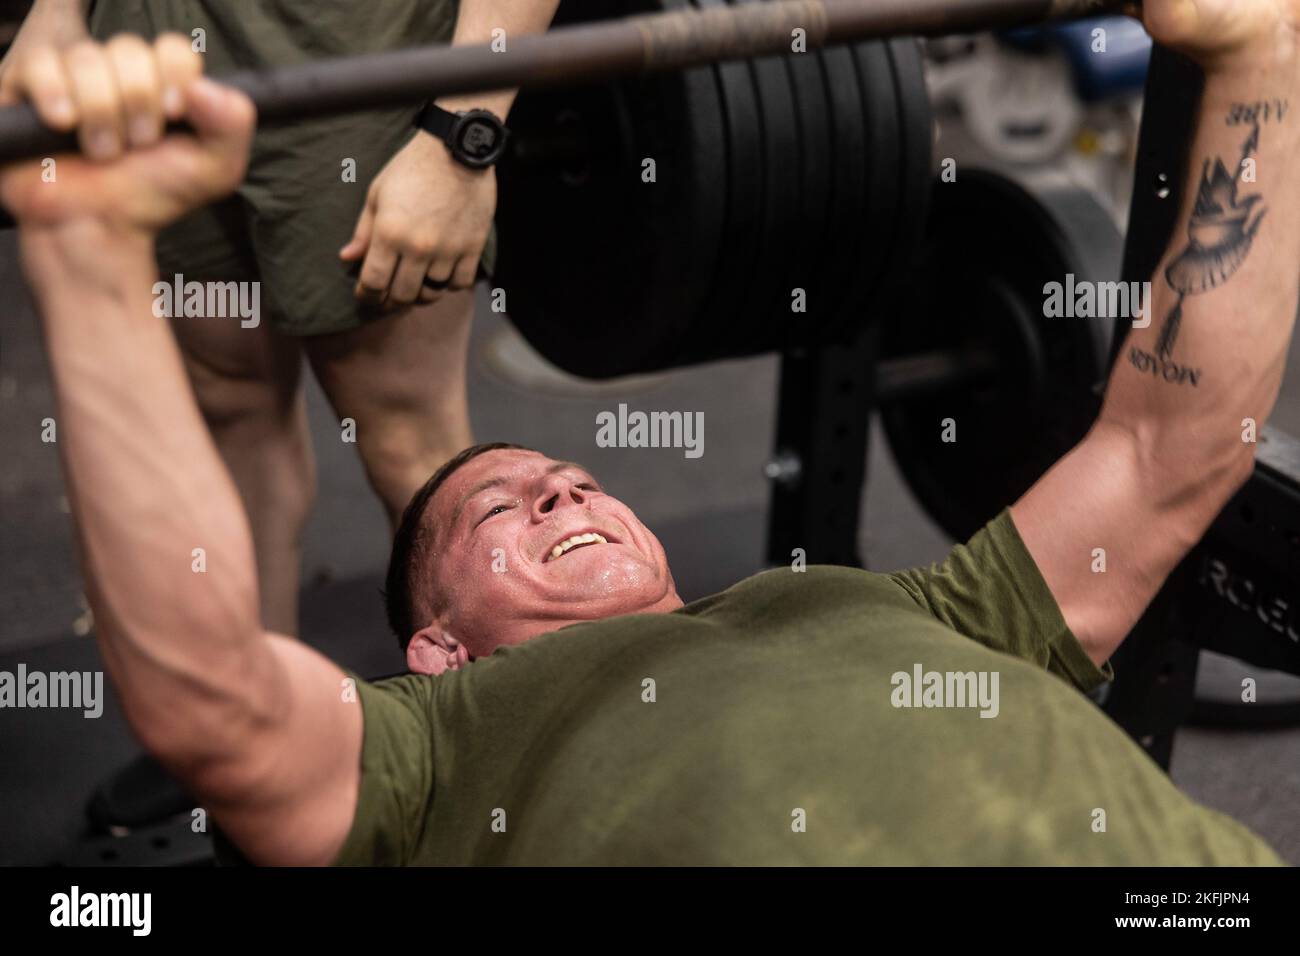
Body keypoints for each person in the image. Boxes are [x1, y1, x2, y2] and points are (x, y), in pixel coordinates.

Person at [2, 0, 1296, 865]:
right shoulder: (436, 758)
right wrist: (91, 262)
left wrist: (1261, 53)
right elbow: (215, 708)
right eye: (505, 513)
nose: (565, 497)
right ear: (438, 650)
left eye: (566, 480)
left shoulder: (911, 618)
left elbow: (1161, 455)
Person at [0, 0, 560, 636]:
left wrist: (462, 131)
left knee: (410, 441)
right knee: (229, 404)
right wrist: (55, 14)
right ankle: (259, 710)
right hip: (155, 56)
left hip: (358, 76)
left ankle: (492, 722)